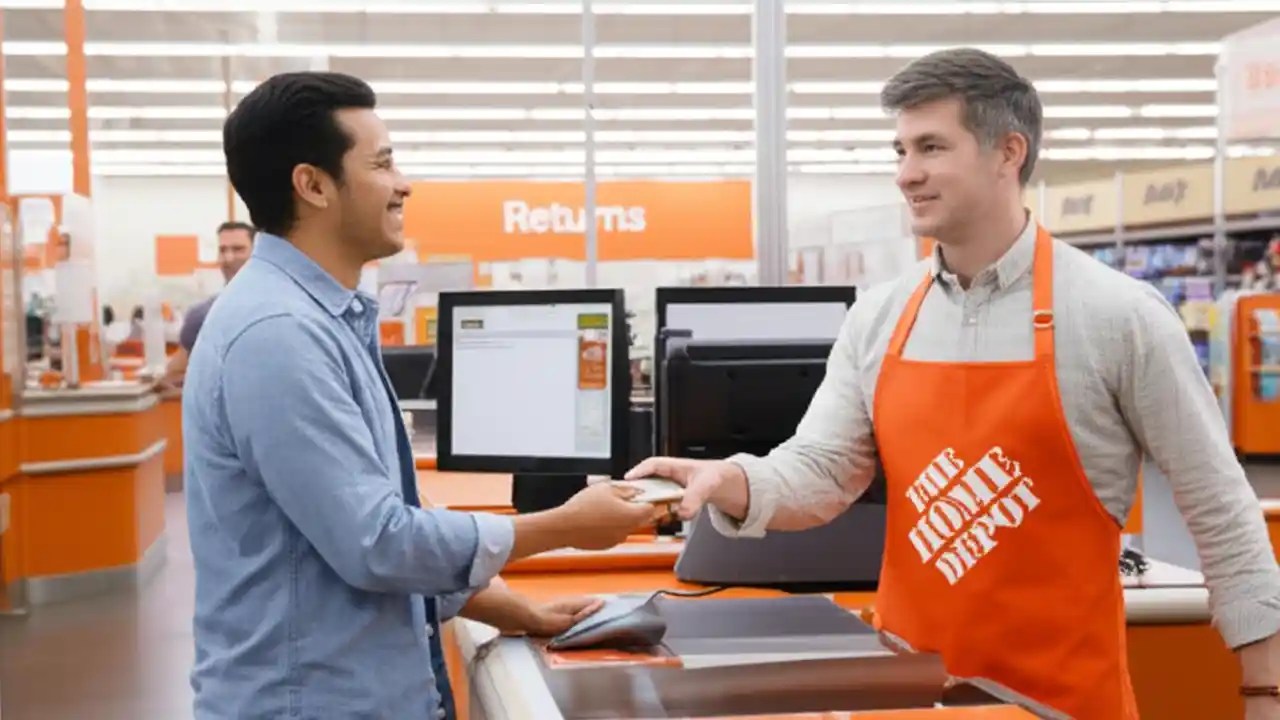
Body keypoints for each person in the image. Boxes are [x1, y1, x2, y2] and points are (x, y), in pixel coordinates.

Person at [629, 48, 1280, 720]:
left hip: (1062, 704)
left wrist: (1264, 693)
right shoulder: (881, 315)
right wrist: (731, 480)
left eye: (932, 147)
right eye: (901, 150)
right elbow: (823, 471)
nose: (907, 174)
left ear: (1008, 153)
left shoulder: (1121, 317)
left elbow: (1221, 510)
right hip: (909, 699)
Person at [182, 71, 657, 720]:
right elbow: (377, 543)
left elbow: (347, 544)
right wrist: (565, 528)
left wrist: (517, 611)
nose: (403, 182)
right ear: (313, 184)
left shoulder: (323, 318)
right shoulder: (278, 335)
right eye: (382, 163)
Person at [158, 221, 255, 388]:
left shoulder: (285, 305)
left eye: (238, 249)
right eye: (223, 250)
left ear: (256, 253)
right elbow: (173, 376)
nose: (228, 258)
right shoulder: (203, 315)